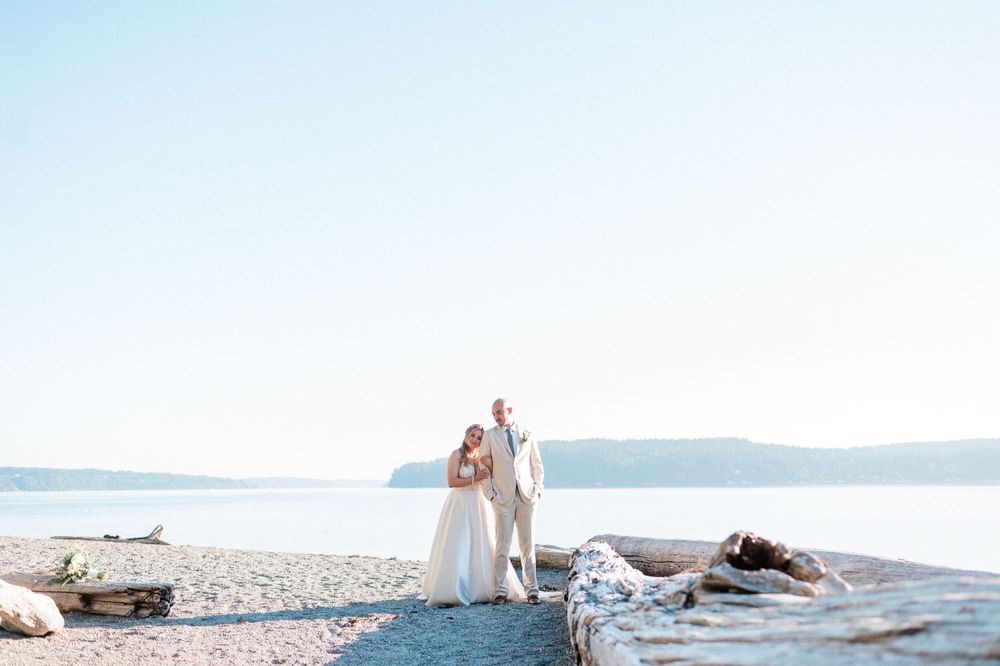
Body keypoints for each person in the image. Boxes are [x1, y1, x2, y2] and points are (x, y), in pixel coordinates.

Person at [420, 424, 525, 606]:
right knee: (459, 542)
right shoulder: (457, 455)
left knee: (482, 541)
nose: (475, 440)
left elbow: (491, 478)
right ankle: (454, 586)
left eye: (478, 438)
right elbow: (451, 481)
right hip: (460, 502)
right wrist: (475, 478)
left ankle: (484, 586)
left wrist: (490, 469)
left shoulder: (481, 457)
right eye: (472, 435)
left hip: (478, 502)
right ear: (466, 435)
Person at [479, 398, 545, 605]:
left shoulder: (528, 434)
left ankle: (532, 591)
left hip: (527, 496)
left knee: (528, 545)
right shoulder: (489, 436)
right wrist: (490, 494)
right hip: (502, 497)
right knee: (502, 544)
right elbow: (484, 469)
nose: (496, 416)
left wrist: (538, 490)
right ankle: (500, 591)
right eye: (493, 414)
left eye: (499, 412)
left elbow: (537, 465)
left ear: (509, 410)